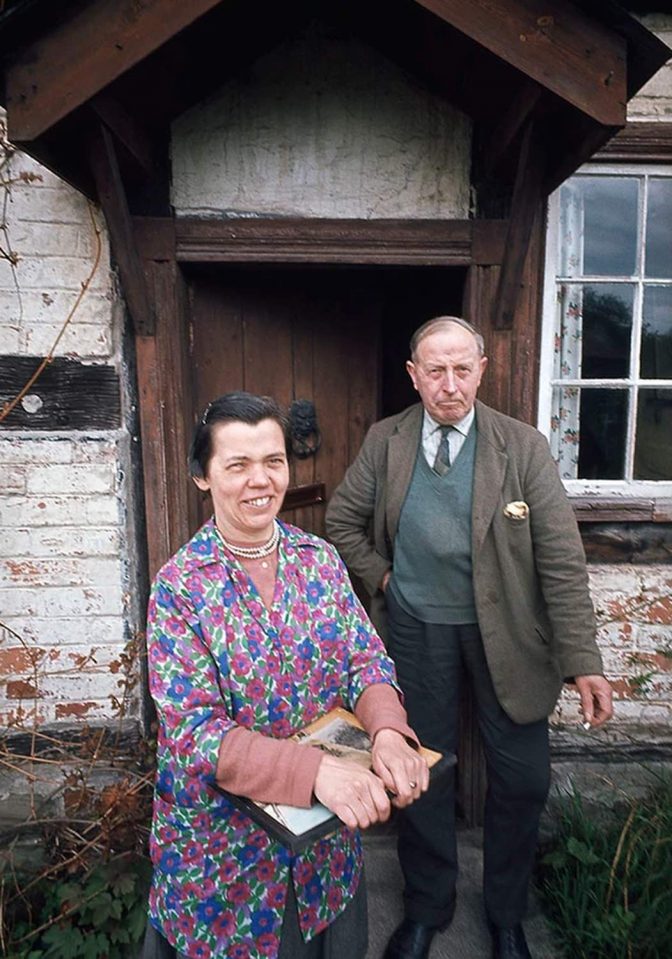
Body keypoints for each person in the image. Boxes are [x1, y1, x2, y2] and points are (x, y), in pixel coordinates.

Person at [325, 316, 613, 959]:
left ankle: (507, 914)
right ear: (414, 375)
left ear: (482, 368)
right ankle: (428, 907)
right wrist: (386, 578)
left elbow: (561, 560)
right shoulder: (387, 441)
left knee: (523, 778)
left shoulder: (523, 447)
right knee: (420, 772)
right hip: (415, 632)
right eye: (435, 370)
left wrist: (582, 661)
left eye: (462, 369)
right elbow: (342, 521)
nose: (449, 385)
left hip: (507, 633)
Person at [141, 391, 429, 959]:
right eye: (237, 465)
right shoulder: (180, 588)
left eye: (273, 461)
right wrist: (318, 771)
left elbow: (364, 660)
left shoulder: (318, 560)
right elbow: (195, 734)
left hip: (322, 850)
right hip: (223, 863)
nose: (260, 480)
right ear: (204, 477)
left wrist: (390, 732)